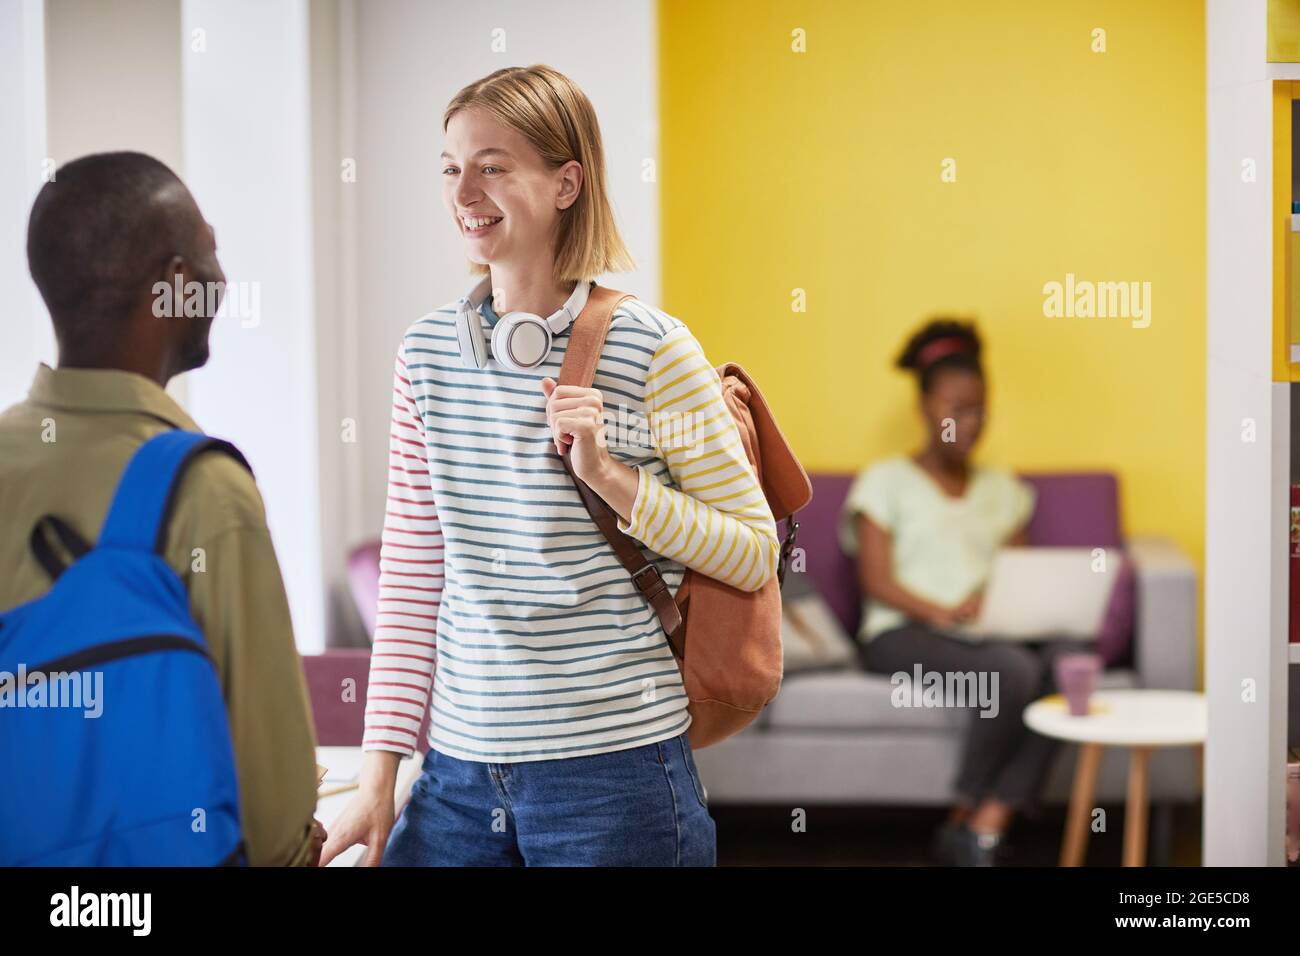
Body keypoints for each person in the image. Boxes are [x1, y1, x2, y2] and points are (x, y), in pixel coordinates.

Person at [320, 65, 780, 867]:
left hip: (616, 776)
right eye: (450, 167)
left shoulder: (653, 349)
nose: (464, 191)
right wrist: (376, 779)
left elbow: (752, 548)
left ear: (566, 182)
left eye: (492, 165)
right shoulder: (426, 355)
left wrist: (611, 477)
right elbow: (411, 578)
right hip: (458, 774)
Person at [0, 151, 324, 866]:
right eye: (210, 253)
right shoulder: (203, 491)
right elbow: (272, 821)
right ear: (176, 285)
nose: (222, 280)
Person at [839, 319, 1089, 866]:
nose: (969, 423)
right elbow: (876, 583)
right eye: (957, 409)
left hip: (981, 631)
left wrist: (992, 606)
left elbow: (1017, 575)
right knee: (1011, 671)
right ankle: (962, 814)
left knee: (1069, 664)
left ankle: (985, 822)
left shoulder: (1002, 489)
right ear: (925, 407)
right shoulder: (885, 481)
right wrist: (946, 611)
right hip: (900, 634)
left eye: (980, 410)